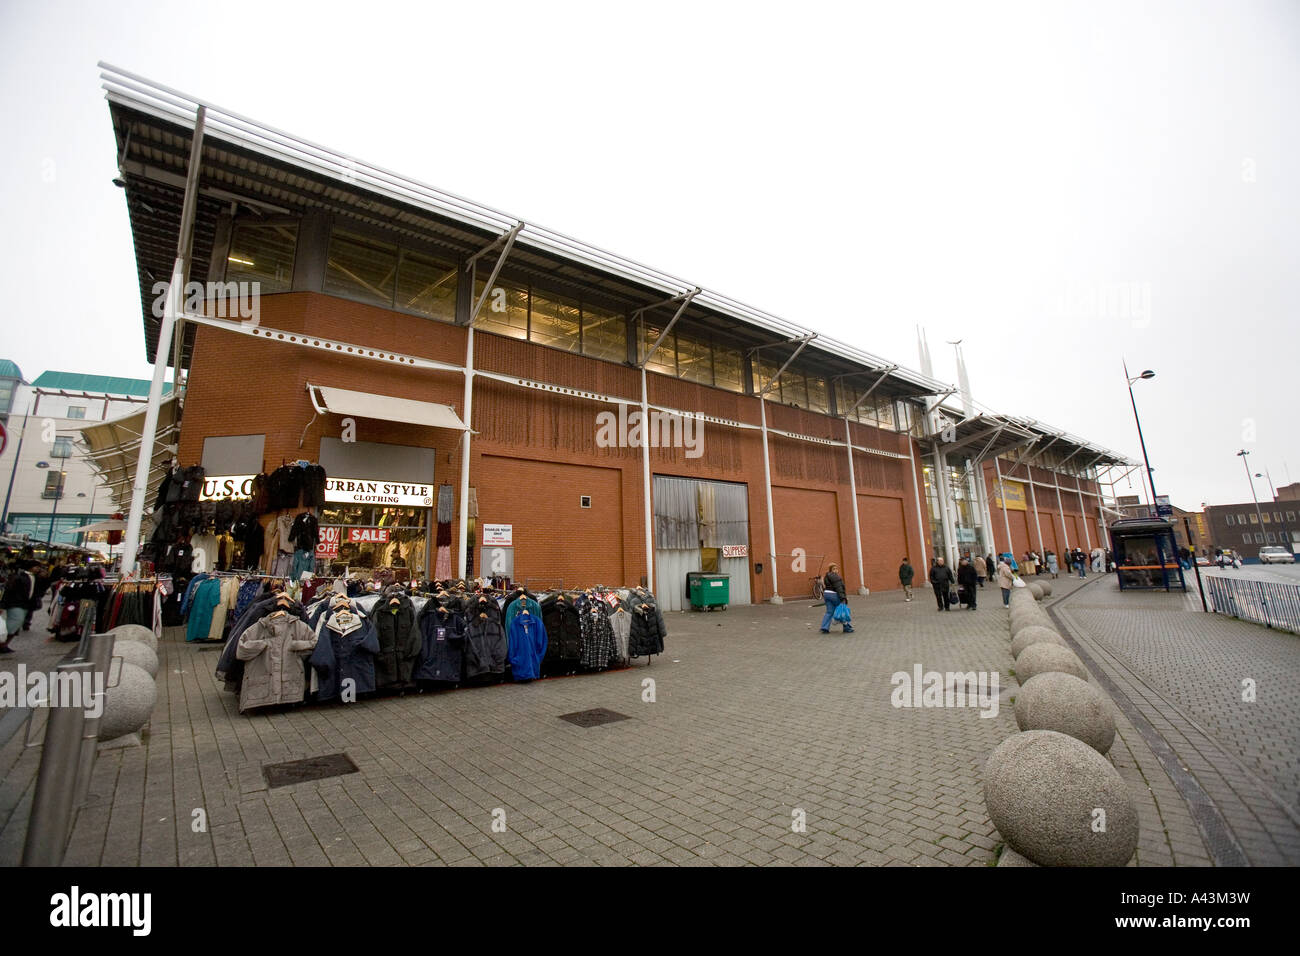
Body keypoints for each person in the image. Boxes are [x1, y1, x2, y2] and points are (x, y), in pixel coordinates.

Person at [1, 560, 36, 653]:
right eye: (37, 567)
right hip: (15, 604)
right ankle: (2, 643)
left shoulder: (32, 577)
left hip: (24, 604)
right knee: (14, 624)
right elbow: (9, 591)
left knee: (16, 625)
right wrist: (3, 605)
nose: (38, 569)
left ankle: (4, 644)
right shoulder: (20, 577)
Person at [819, 563, 854, 633]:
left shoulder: (826, 576)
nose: (836, 570)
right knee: (842, 610)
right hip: (834, 595)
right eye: (834, 569)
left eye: (836, 569)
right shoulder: (835, 576)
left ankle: (824, 627)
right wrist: (843, 598)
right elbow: (839, 587)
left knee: (829, 612)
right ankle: (846, 627)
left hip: (827, 594)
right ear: (831, 570)